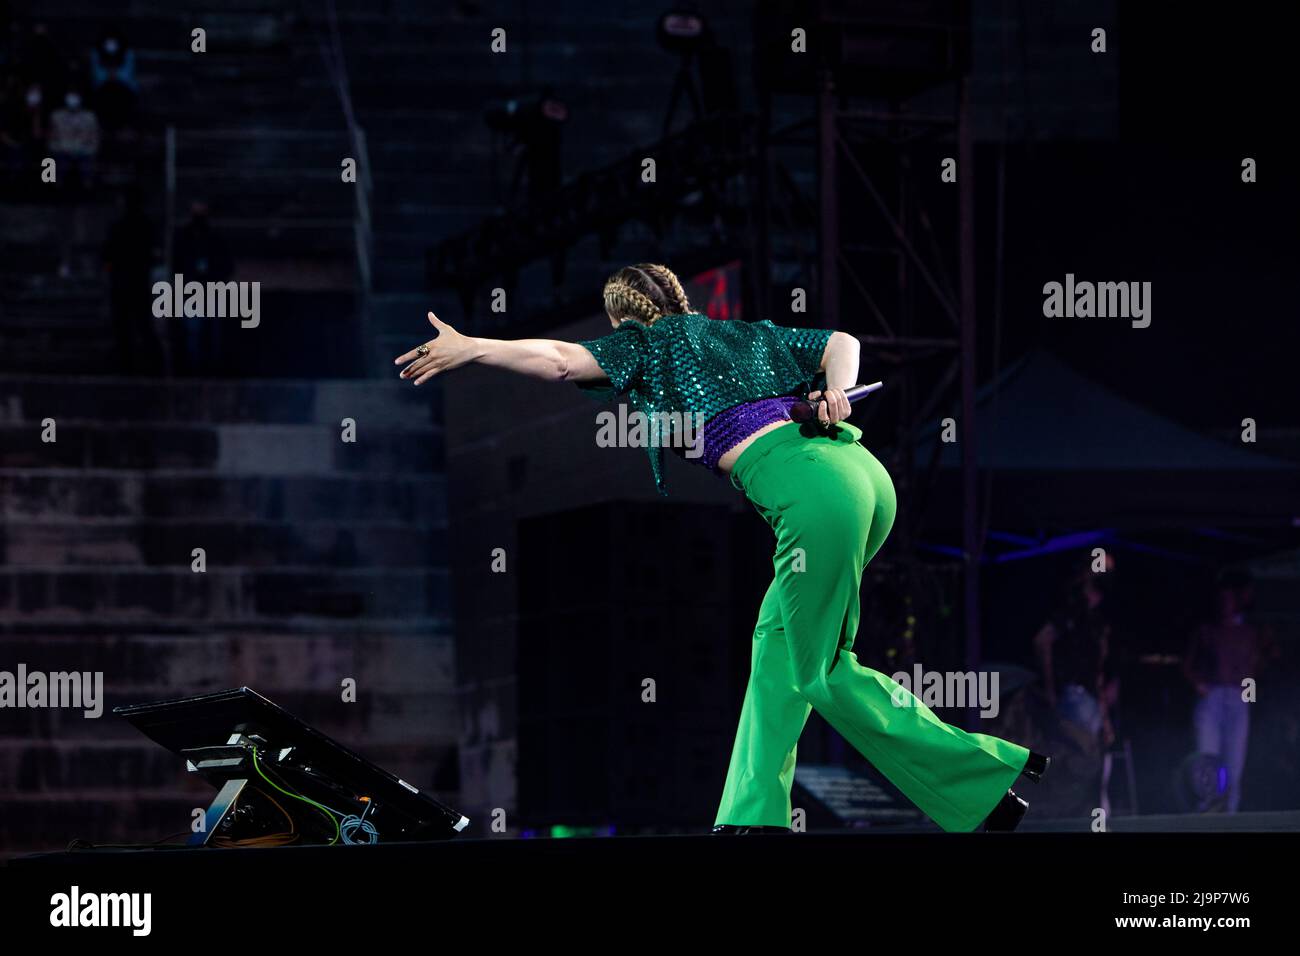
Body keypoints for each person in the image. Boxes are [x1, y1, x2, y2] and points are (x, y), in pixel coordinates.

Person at [394, 262, 1049, 833]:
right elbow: (842, 341)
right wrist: (840, 391)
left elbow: (561, 360)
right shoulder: (734, 332)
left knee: (822, 671)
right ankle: (752, 815)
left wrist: (474, 345)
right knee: (777, 647)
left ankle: (988, 779)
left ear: (624, 317)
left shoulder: (644, 345)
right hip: (860, 479)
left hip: (814, 495)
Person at [1184, 570, 1274, 812]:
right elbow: (1188, 664)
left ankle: (1230, 815)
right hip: (1212, 696)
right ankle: (1206, 812)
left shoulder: (1249, 633)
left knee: (1234, 761)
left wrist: (1249, 690)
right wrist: (1198, 684)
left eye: (1228, 600)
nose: (1224, 605)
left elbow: (1259, 663)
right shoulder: (1206, 631)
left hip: (1237, 697)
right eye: (1220, 600)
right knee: (1207, 758)